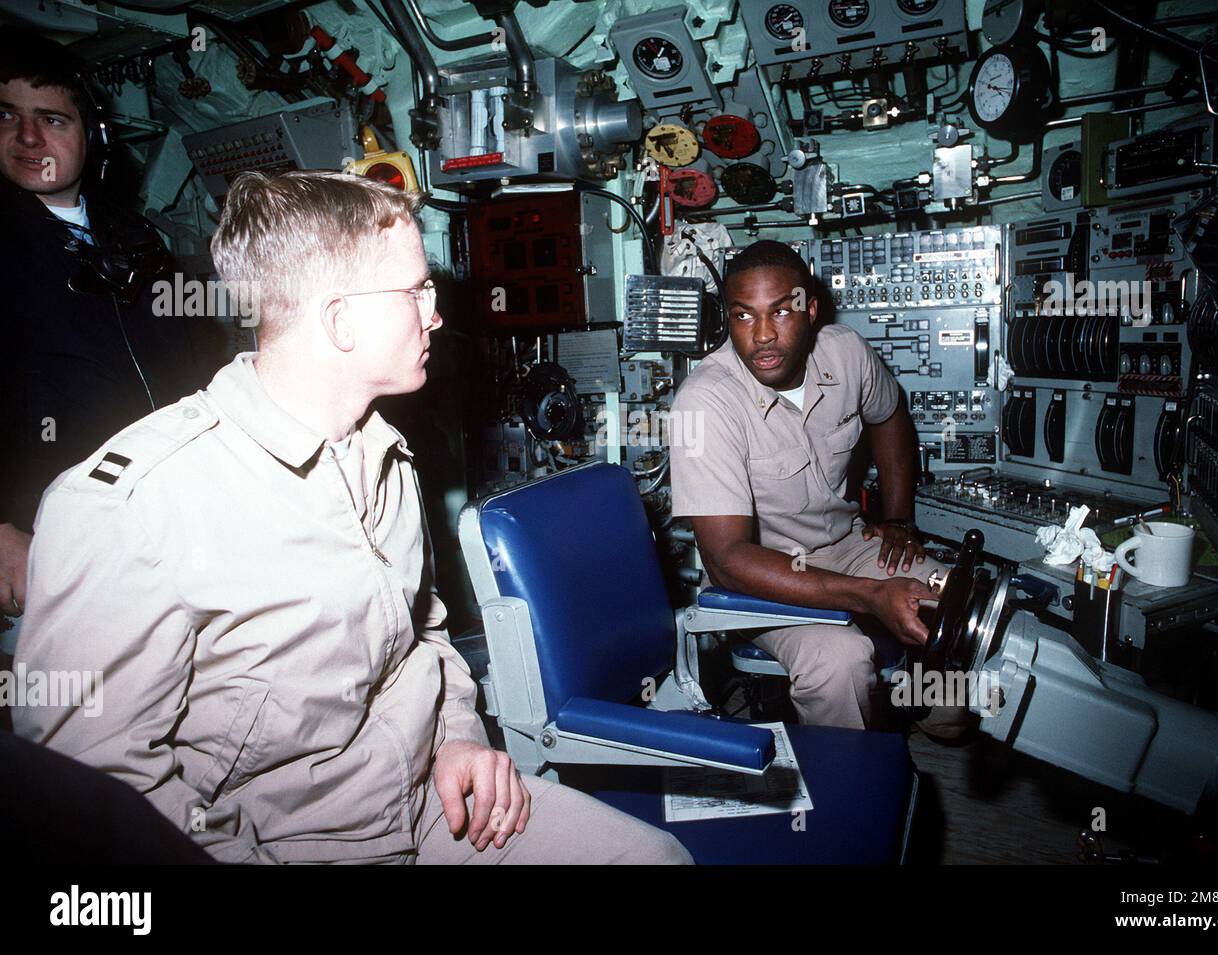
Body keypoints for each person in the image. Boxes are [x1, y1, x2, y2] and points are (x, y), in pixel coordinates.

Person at [13, 170, 691, 865]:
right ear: (339, 319)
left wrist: (460, 732)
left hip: (428, 801)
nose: (434, 313)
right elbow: (93, 789)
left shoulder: (383, 453)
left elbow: (424, 632)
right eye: (414, 292)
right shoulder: (130, 506)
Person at [670, 240, 968, 735]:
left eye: (780, 312)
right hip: (763, 574)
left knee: (950, 596)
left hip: (847, 544)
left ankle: (930, 711)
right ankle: (842, 795)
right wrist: (869, 595)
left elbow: (890, 418)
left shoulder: (845, 352)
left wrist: (897, 519)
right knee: (840, 660)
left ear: (810, 310)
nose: (762, 336)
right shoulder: (703, 402)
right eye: (743, 317)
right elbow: (726, 559)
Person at [0, 27, 212, 661]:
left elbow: (191, 376)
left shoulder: (139, 241)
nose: (30, 138)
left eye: (53, 119)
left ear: (92, 137)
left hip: (159, 533)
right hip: (42, 543)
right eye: (8, 115)